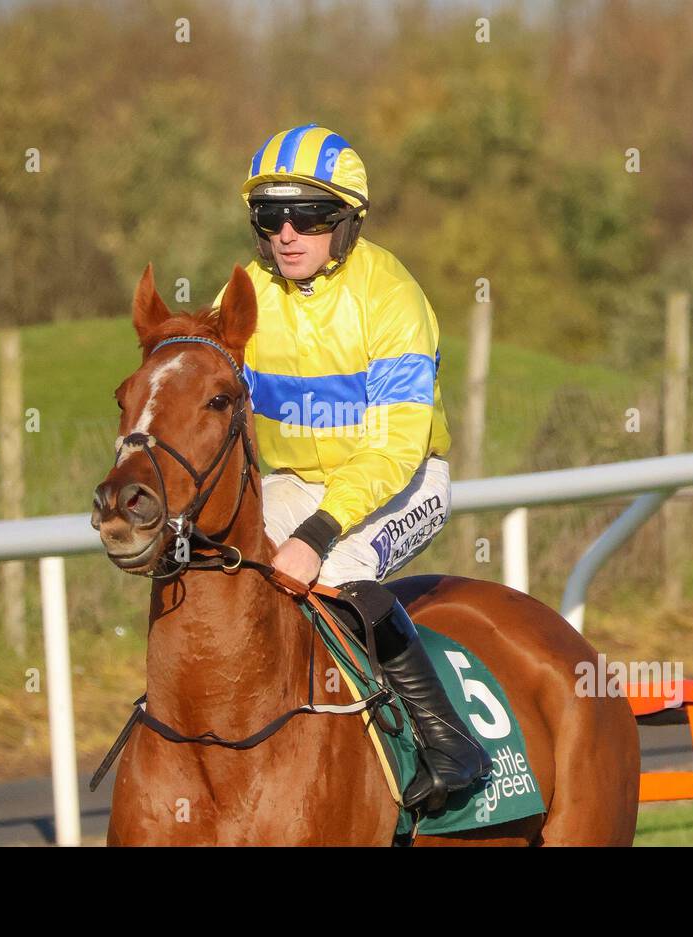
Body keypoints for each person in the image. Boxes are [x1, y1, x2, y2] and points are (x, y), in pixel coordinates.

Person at [213, 123, 490, 811]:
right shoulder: (241, 298)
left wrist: (317, 531)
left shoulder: (392, 297)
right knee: (225, 562)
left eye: (308, 215)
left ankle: (446, 740)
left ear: (346, 223)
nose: (287, 233)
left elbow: (395, 447)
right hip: (296, 481)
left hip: (401, 481)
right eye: (270, 216)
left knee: (330, 574)